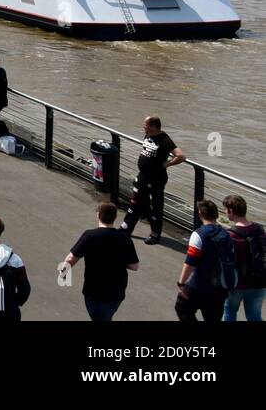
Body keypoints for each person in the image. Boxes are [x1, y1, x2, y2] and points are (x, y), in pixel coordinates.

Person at [61, 202, 140, 322]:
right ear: (115, 217)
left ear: (98, 216)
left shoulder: (90, 235)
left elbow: (70, 259)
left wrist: (63, 275)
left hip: (94, 290)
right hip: (116, 292)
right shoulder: (125, 238)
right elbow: (134, 266)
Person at [121, 115, 185, 245]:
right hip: (143, 176)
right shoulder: (148, 135)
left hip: (156, 178)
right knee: (135, 201)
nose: (143, 127)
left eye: (146, 125)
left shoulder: (165, 140)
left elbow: (181, 156)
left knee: (156, 206)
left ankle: (155, 234)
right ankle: (125, 228)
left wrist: (167, 164)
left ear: (154, 126)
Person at [176, 199, 236, 322]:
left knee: (182, 307)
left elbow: (190, 261)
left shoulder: (199, 235)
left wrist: (182, 282)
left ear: (200, 214)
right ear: (217, 215)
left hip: (199, 285)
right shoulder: (226, 235)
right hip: (220, 287)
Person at [221, 194, 266, 321]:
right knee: (255, 316)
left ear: (230, 211)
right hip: (259, 281)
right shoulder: (259, 229)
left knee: (229, 312)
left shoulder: (230, 235)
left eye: (226, 210)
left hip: (238, 283)